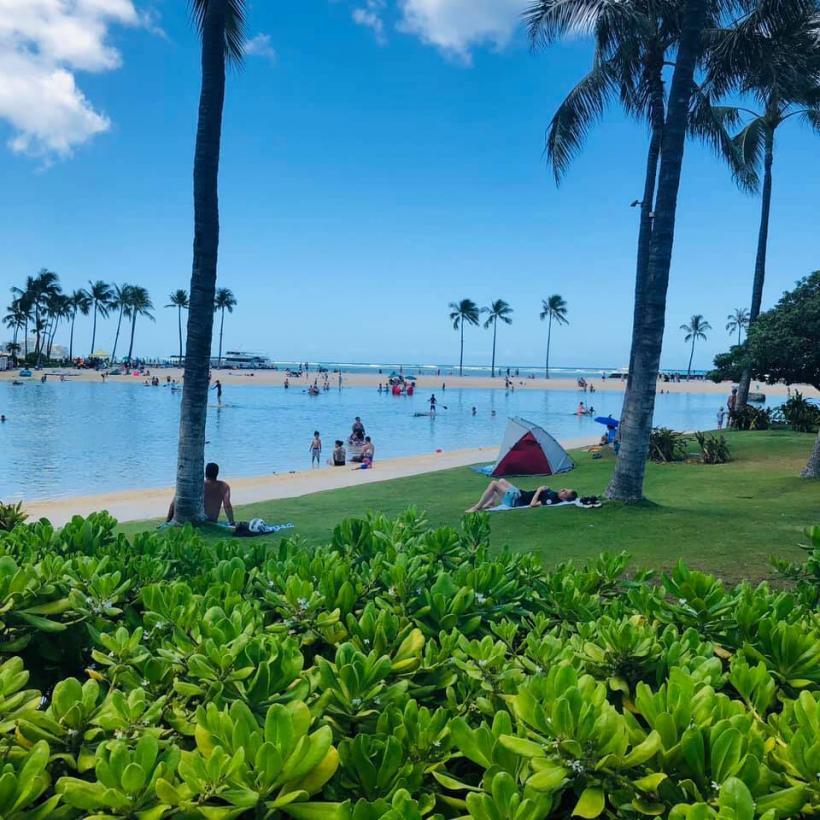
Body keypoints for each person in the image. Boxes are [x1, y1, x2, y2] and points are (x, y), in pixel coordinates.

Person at [166, 462, 234, 525]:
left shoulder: (197, 485)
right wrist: (231, 522)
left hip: (195, 521)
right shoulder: (224, 486)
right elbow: (227, 505)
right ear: (217, 473)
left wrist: (168, 521)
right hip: (212, 522)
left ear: (205, 473)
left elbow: (175, 502)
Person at [466, 479, 577, 513]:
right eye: (565, 489)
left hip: (517, 500)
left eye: (565, 492)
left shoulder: (551, 500)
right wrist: (545, 489)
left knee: (494, 484)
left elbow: (533, 504)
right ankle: (491, 502)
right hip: (520, 493)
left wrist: (539, 490)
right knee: (502, 481)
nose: (563, 490)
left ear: (564, 498)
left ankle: (477, 507)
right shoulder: (554, 495)